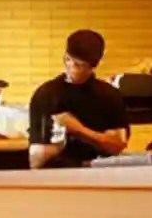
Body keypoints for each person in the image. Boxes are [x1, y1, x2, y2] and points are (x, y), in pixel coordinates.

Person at [28, 30, 130, 168]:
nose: (74, 69)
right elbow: (36, 153)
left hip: (98, 171)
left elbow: (117, 145)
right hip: (56, 172)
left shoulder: (110, 96)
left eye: (81, 66)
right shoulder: (46, 94)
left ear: (94, 65)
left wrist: (79, 130)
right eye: (70, 61)